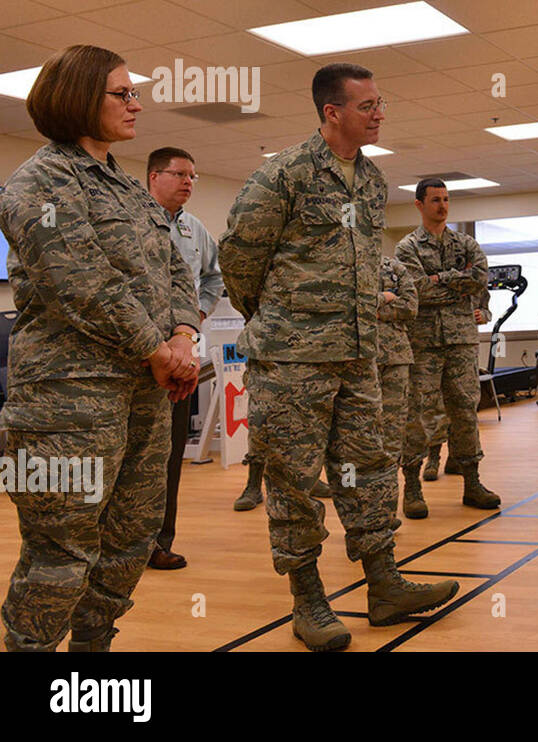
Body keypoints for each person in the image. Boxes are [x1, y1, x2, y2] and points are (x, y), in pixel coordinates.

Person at [218, 63, 457, 652]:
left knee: (368, 467)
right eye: (368, 105)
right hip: (292, 361)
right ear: (333, 112)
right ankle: (309, 602)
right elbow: (240, 262)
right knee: (294, 480)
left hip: (358, 354)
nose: (379, 113)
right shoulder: (282, 176)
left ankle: (383, 584)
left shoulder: (372, 180)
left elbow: (362, 265)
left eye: (381, 103)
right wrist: (282, 323)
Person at [0, 45, 200, 652]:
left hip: (145, 395)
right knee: (60, 555)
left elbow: (175, 269)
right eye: (122, 93)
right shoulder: (38, 183)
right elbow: (80, 281)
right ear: (80, 97)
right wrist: (158, 349)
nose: (136, 104)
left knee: (130, 541)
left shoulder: (128, 188)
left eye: (134, 92)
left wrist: (185, 334)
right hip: (68, 403)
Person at [395, 179, 499, 509]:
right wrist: (456, 282)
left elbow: (480, 280)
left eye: (446, 199)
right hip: (423, 343)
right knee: (418, 414)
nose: (442, 205)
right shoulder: (407, 248)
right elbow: (416, 291)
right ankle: (412, 487)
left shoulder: (466, 244)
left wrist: (439, 277)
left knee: (465, 411)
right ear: (419, 204)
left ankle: (472, 482)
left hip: (461, 341)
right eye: (436, 200)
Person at [145, 146, 224, 571]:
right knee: (133, 452)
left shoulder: (195, 229)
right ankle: (120, 544)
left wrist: (197, 314)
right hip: (139, 350)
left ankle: (159, 541)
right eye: (180, 174)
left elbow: (213, 275)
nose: (189, 182)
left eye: (193, 176)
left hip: (182, 351)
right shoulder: (132, 220)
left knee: (171, 451)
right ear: (154, 176)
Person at [422, 288, 490, 482]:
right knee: (437, 408)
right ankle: (433, 458)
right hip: (434, 345)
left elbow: (486, 310)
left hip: (464, 345)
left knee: (464, 407)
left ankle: (456, 459)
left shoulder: (475, 284)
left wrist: (482, 315)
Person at [377, 255, 421, 522]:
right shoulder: (341, 264)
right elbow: (347, 306)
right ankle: (364, 509)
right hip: (357, 360)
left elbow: (411, 307)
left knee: (393, 436)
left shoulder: (393, 267)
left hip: (395, 359)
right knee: (360, 440)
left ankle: (387, 507)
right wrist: (386, 298)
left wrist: (374, 303)